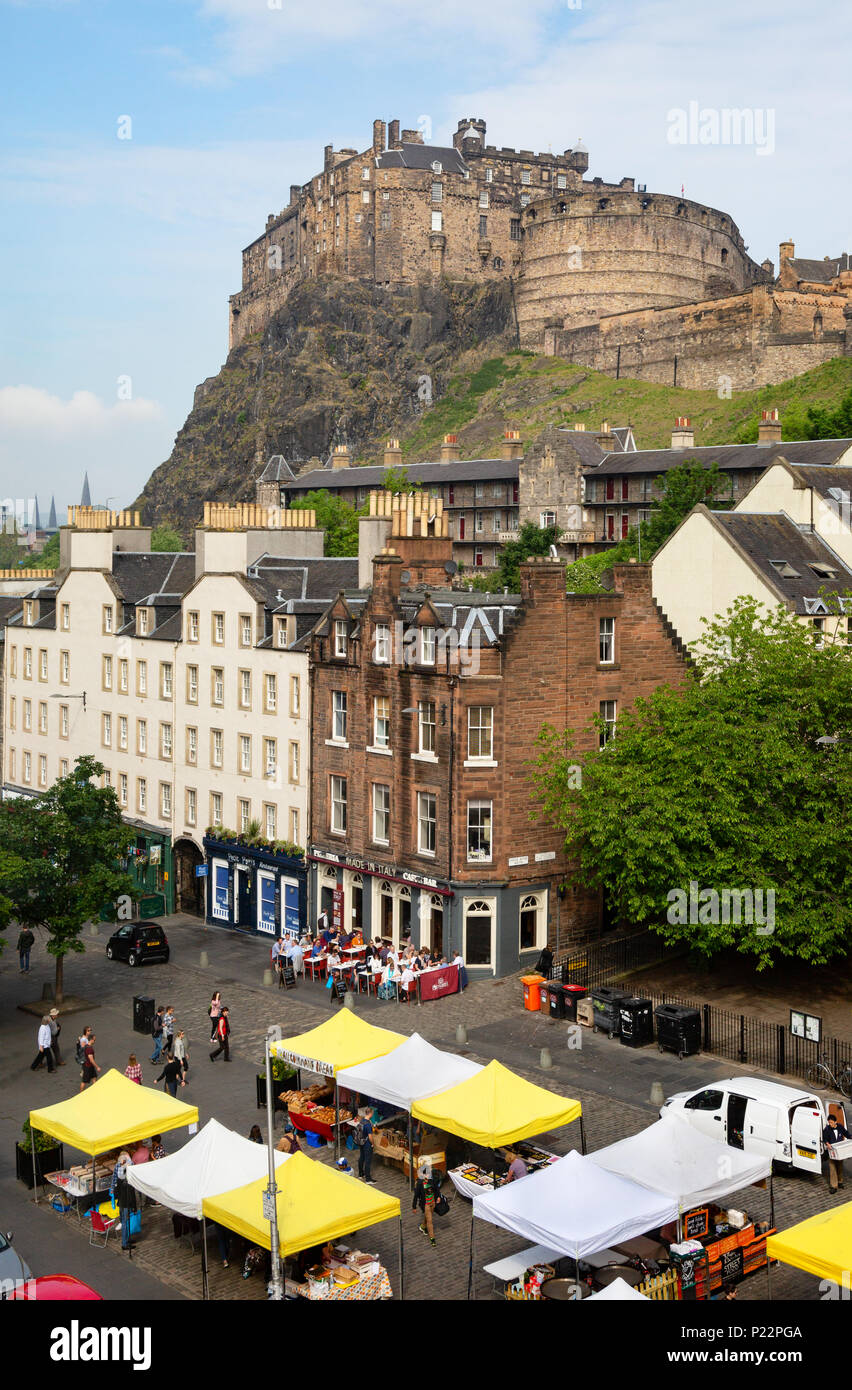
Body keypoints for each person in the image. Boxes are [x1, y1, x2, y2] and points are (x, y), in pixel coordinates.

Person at [112, 1152, 138, 1252]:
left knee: (124, 1221)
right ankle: (125, 1243)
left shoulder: (119, 1179)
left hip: (121, 1202)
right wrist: (134, 1207)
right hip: (126, 1203)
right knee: (125, 1223)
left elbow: (116, 1191)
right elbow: (131, 1196)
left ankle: (127, 1239)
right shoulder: (127, 1182)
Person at [412, 1164, 440, 1247]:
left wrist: (438, 1197)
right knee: (430, 1221)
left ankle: (423, 1226)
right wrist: (414, 1207)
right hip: (426, 1204)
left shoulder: (431, 1180)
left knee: (428, 1217)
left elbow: (436, 1188)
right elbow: (416, 1195)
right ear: (423, 1175)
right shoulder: (420, 1183)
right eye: (427, 1174)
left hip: (433, 1202)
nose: (429, 1175)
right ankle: (432, 1239)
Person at [823, 1114, 850, 1193]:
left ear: (835, 1122)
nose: (830, 1124)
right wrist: (827, 1143)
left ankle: (840, 1182)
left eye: (831, 1122)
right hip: (832, 1151)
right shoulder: (827, 1129)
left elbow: (847, 1134)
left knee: (840, 1167)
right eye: (829, 1123)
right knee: (832, 1168)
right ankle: (833, 1186)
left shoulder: (840, 1127)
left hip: (840, 1151)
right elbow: (824, 1138)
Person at [357, 1112, 376, 1183]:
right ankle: (368, 1179)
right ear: (370, 1114)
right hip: (367, 1144)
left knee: (361, 1157)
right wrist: (373, 1143)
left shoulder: (362, 1121)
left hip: (361, 1142)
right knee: (368, 1161)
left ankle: (360, 1174)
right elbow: (370, 1136)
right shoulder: (368, 1124)